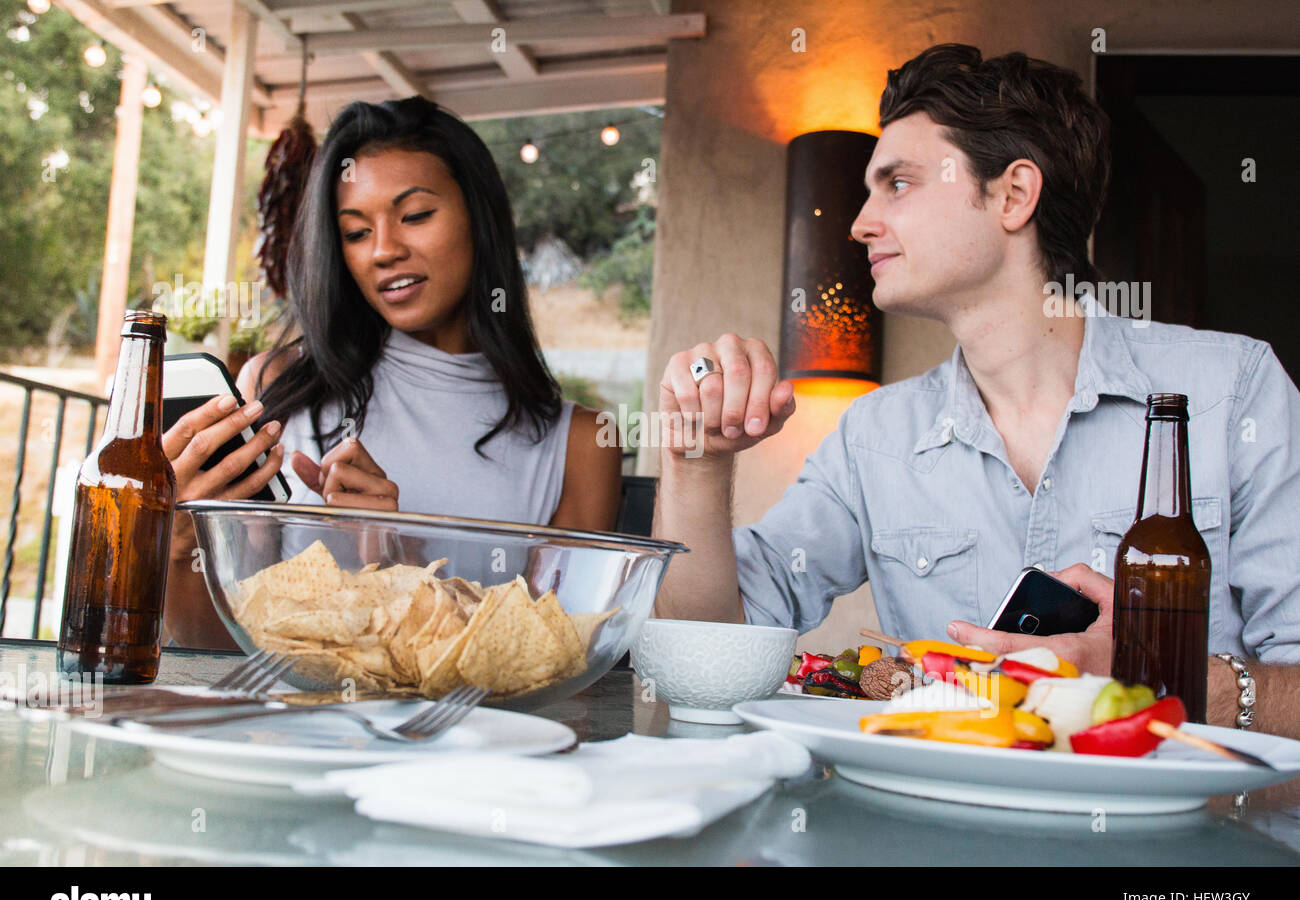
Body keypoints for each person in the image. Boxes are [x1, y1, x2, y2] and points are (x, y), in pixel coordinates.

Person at [652, 44, 1300, 737]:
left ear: (1014, 195)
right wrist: (696, 463)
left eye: (897, 183)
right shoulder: (874, 438)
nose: (860, 223)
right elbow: (707, 653)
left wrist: (1154, 684)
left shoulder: (1232, 392)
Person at [161, 96, 622, 647]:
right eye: (356, 233)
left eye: (416, 216)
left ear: (481, 218)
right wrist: (177, 537)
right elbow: (209, 647)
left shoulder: (581, 445)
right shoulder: (277, 391)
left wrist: (403, 558)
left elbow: (560, 663)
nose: (383, 251)